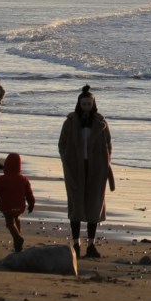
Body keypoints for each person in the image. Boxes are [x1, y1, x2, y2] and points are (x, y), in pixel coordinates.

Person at [57, 85, 115, 258]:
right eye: (84, 104)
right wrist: (67, 160)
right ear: (79, 104)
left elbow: (109, 145)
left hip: (96, 168)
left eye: (89, 104)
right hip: (75, 168)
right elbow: (62, 144)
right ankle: (75, 244)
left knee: (94, 206)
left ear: (93, 104)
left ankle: (91, 245)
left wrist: (105, 163)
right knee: (76, 205)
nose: (87, 107)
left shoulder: (100, 123)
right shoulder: (70, 122)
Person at [0, 153, 36, 251]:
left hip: (7, 205)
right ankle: (17, 243)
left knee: (10, 223)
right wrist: (31, 204)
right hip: (19, 206)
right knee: (17, 218)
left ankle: (18, 238)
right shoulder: (24, 180)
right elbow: (29, 194)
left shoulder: (1, 180)